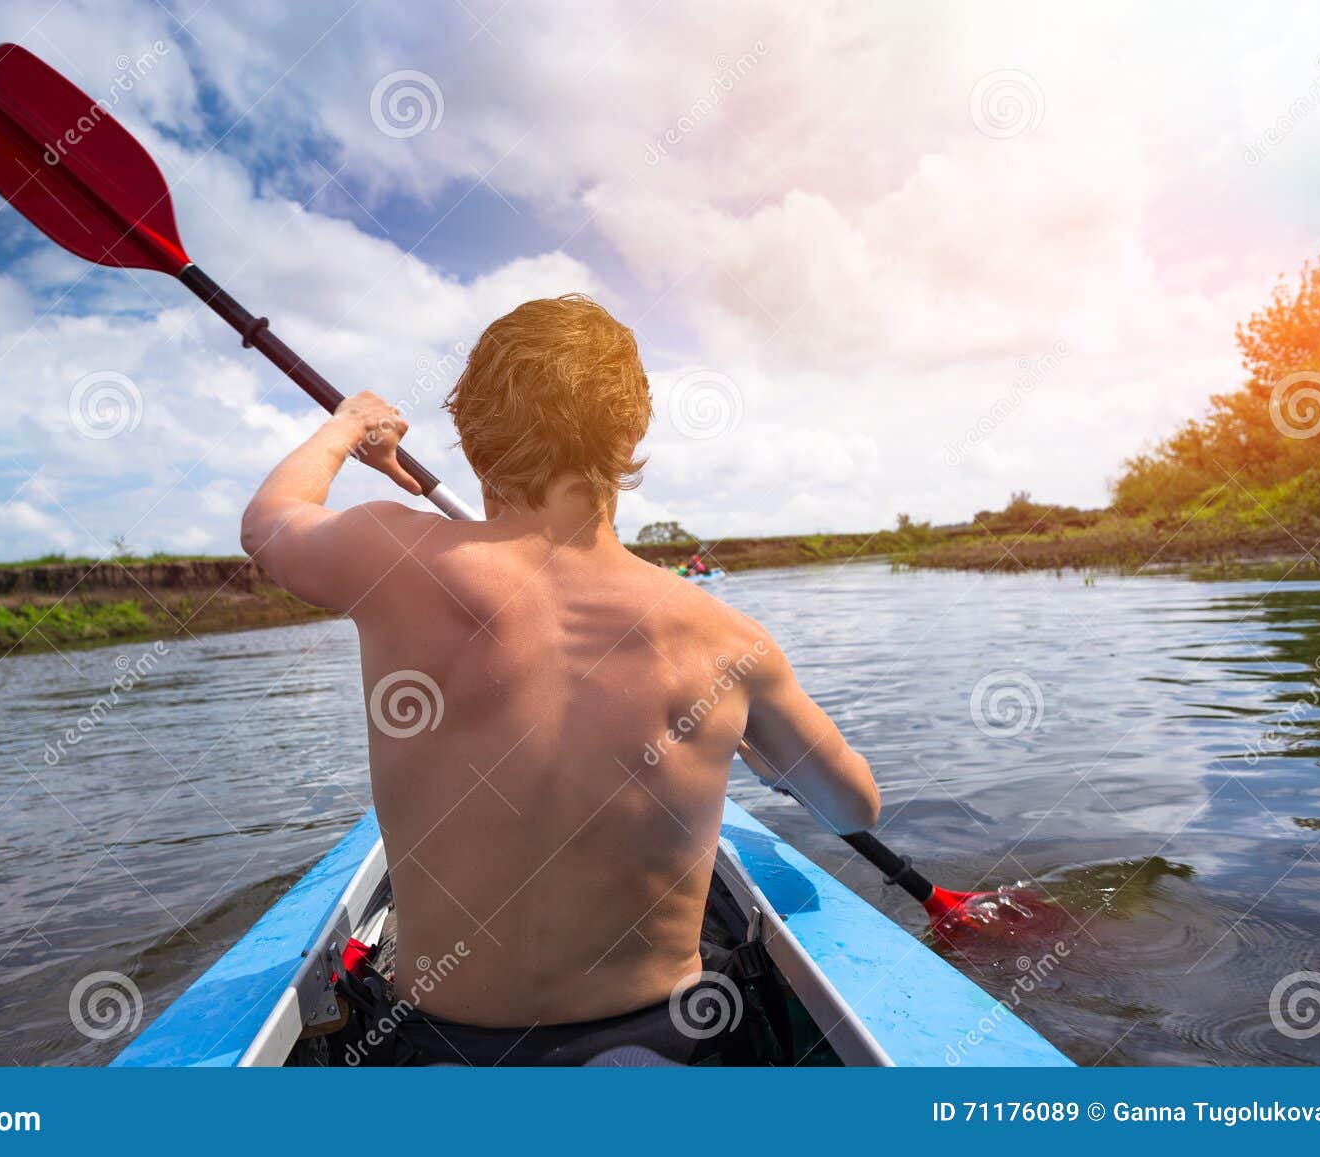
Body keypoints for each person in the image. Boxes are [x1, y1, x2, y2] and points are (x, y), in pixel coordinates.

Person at [240, 294, 879, 1065]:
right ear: (630, 435)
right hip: (663, 1049)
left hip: (438, 1050)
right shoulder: (728, 643)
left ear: (473, 439)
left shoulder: (393, 554)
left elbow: (269, 523)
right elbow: (853, 807)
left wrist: (347, 428)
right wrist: (766, 755)